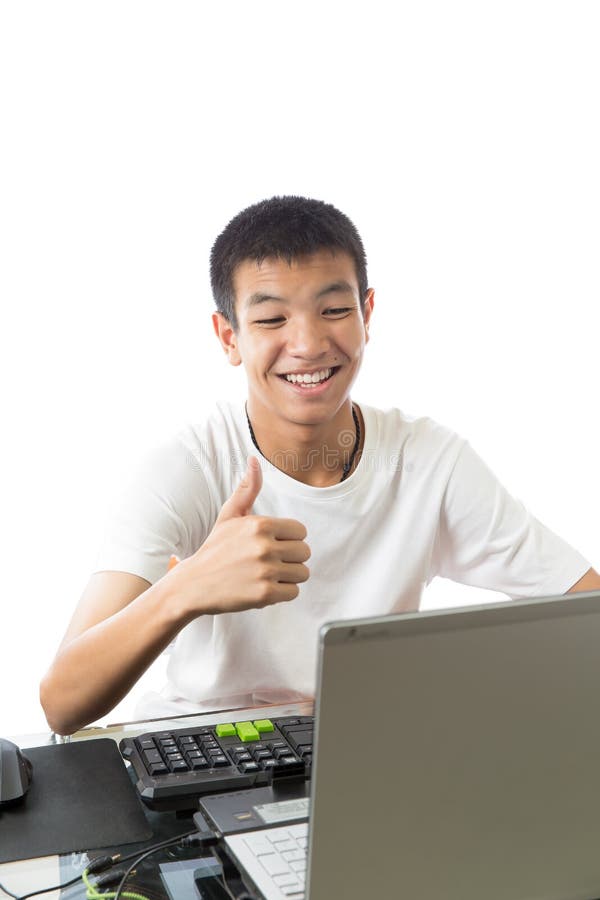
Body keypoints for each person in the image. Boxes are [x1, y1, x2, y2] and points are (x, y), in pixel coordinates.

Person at [40, 196, 600, 735]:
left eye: (334, 311)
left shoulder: (429, 461)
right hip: (203, 757)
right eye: (271, 320)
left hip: (364, 752)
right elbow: (62, 704)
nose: (307, 344)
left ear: (367, 313)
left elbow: (585, 614)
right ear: (229, 336)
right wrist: (186, 588)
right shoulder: (187, 468)